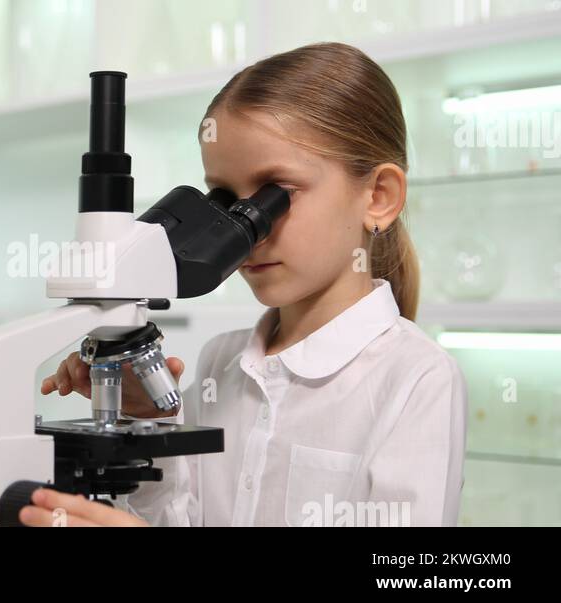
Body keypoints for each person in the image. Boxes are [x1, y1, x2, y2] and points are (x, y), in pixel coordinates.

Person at [25, 42, 467, 527]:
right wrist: (146, 423)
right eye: (225, 200)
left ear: (378, 196)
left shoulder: (416, 378)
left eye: (277, 193)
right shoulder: (222, 361)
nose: (245, 232)